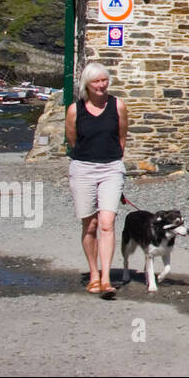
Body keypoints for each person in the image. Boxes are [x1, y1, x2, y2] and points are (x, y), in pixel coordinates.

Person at [64, 62, 128, 295]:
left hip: (111, 168)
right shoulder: (75, 110)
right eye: (96, 82)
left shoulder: (118, 106)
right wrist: (89, 158)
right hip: (83, 169)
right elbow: (72, 140)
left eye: (104, 80)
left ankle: (106, 278)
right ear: (87, 85)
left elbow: (122, 136)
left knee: (107, 223)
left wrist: (112, 159)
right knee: (90, 225)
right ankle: (93, 274)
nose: (101, 85)